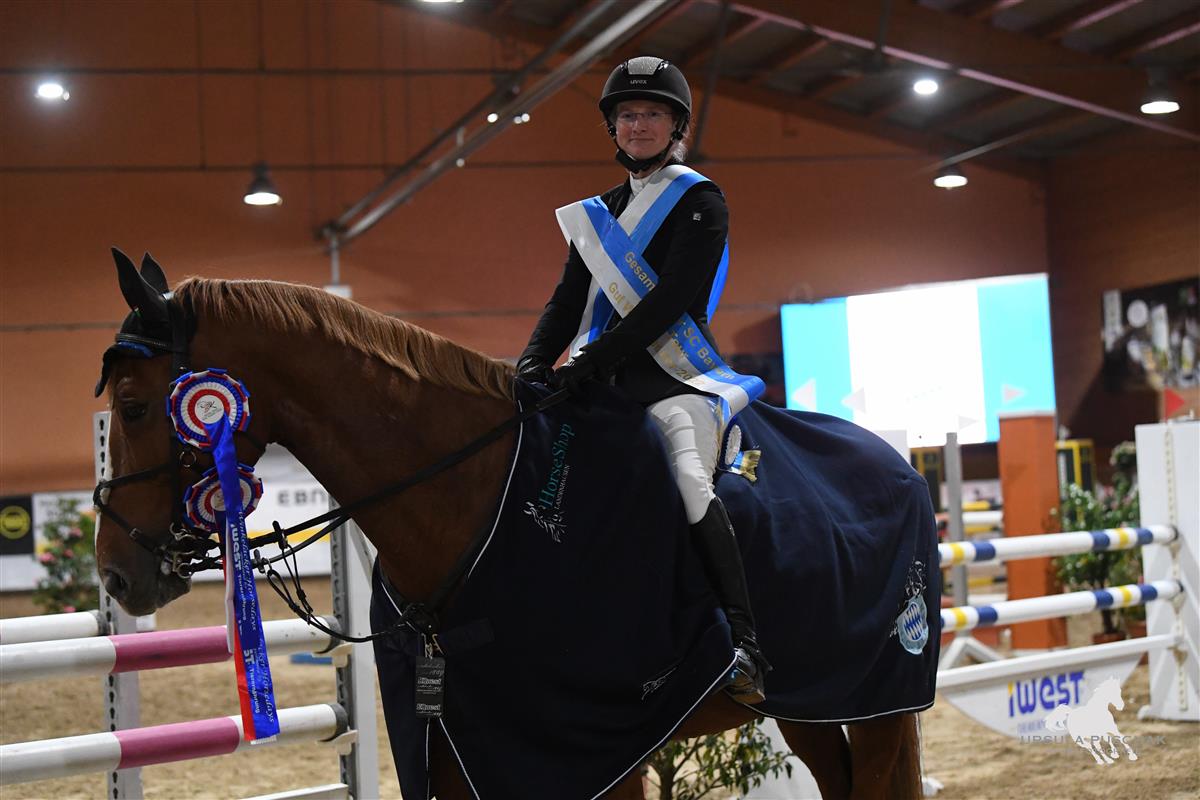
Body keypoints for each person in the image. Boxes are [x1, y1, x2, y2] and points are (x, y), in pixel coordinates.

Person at [516, 56, 770, 703]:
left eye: (652, 113)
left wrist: (594, 360)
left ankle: (743, 644)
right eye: (627, 114)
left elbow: (673, 301)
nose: (638, 124)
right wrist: (532, 360)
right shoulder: (596, 216)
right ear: (613, 128)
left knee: (687, 482)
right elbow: (566, 302)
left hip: (677, 380)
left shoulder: (700, 201)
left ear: (675, 124)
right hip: (603, 383)